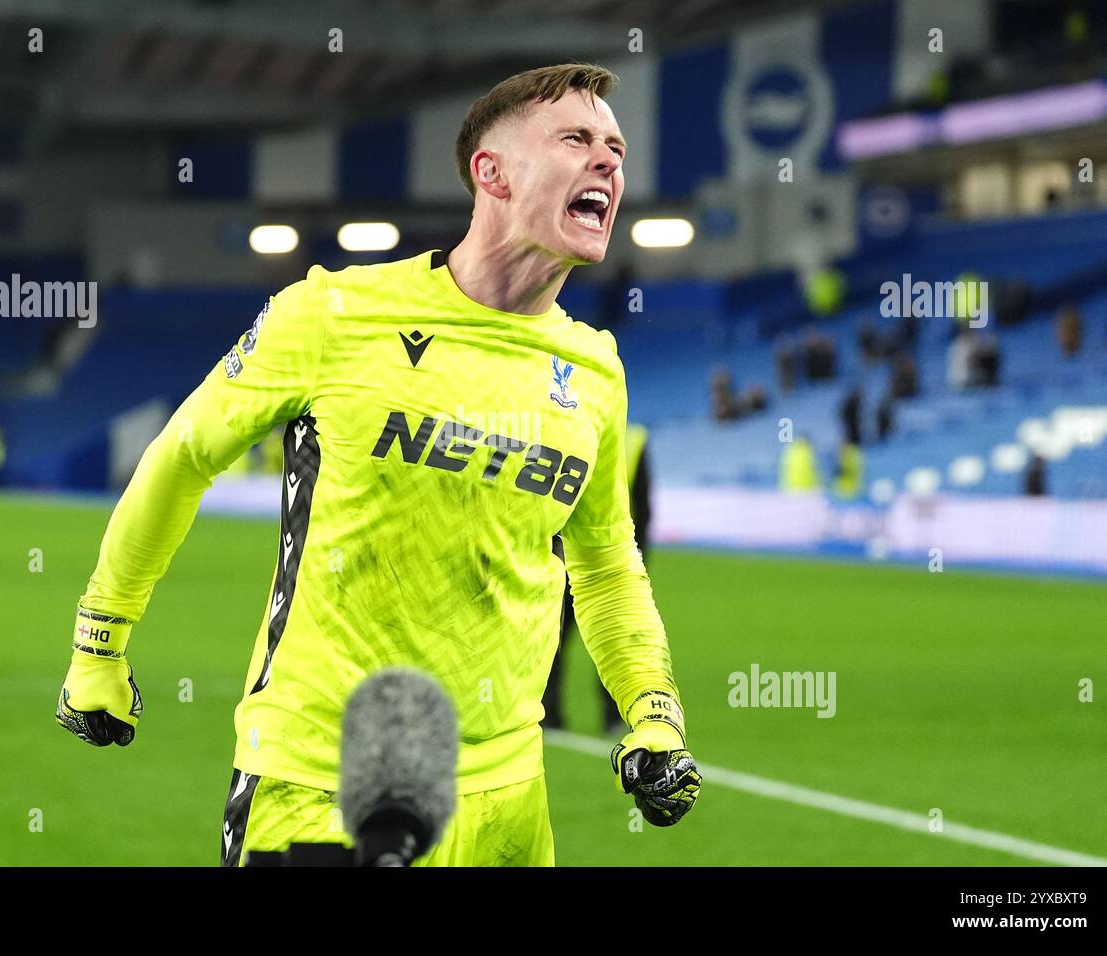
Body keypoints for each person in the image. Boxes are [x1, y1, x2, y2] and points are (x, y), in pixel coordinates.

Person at [54, 63, 699, 868]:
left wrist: (653, 708)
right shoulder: (333, 314)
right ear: (489, 173)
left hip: (507, 803)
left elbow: (604, 564)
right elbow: (182, 457)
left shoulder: (595, 370)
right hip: (317, 782)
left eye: (616, 147)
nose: (609, 161)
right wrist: (98, 643)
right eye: (576, 139)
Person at [542, 422, 651, 734]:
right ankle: (612, 717)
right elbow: (645, 509)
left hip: (573, 555)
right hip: (606, 559)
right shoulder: (634, 439)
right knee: (610, 639)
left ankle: (551, 713)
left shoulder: (565, 429)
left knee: (557, 637)